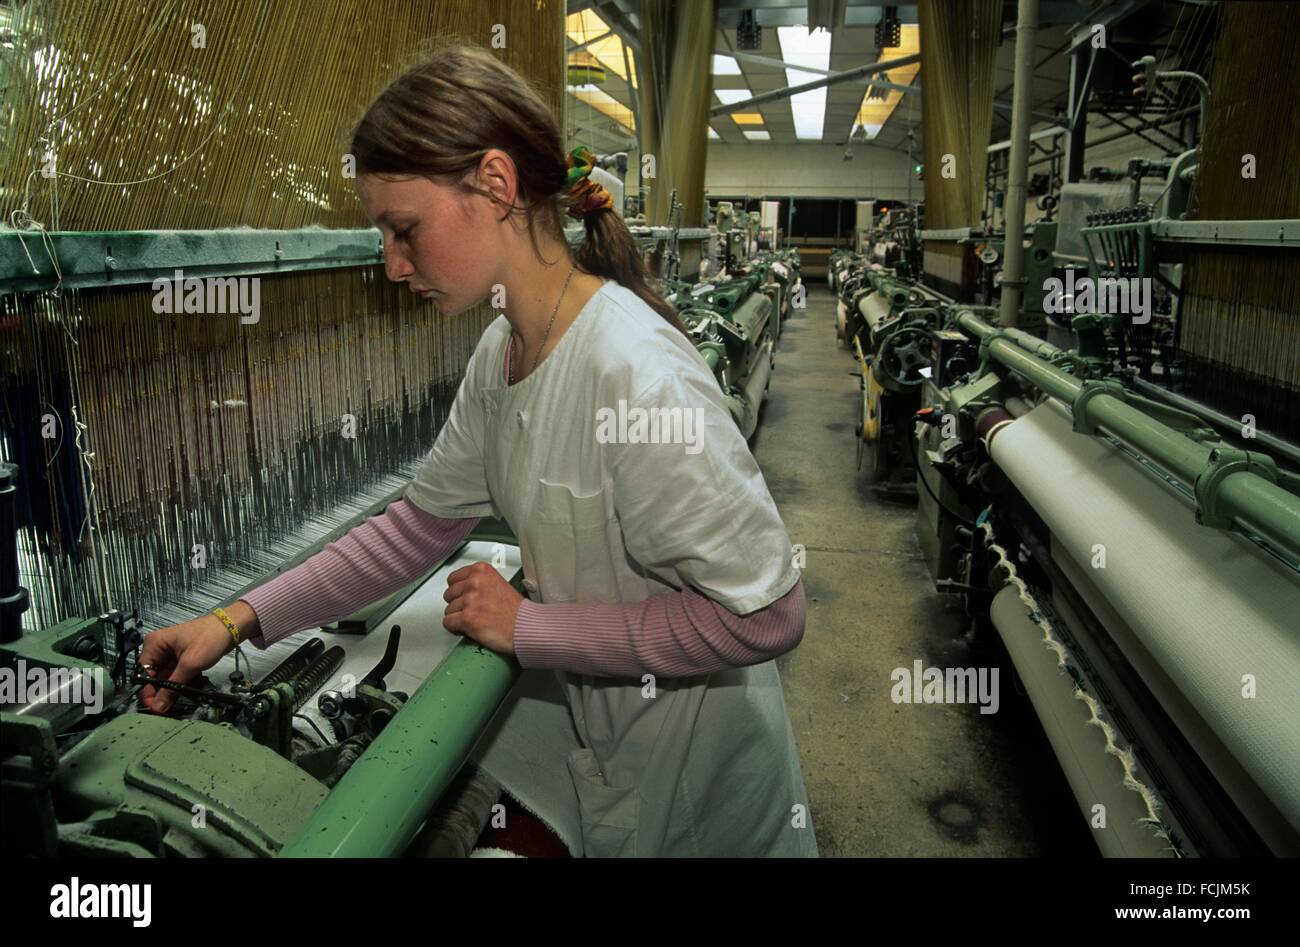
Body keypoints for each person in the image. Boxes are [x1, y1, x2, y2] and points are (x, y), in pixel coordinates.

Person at [138, 44, 817, 858]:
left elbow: (768, 614)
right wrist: (236, 617)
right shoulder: (503, 351)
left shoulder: (636, 376)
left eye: (404, 229)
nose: (393, 266)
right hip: (621, 756)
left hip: (703, 792)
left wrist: (535, 628)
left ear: (495, 185)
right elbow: (416, 529)